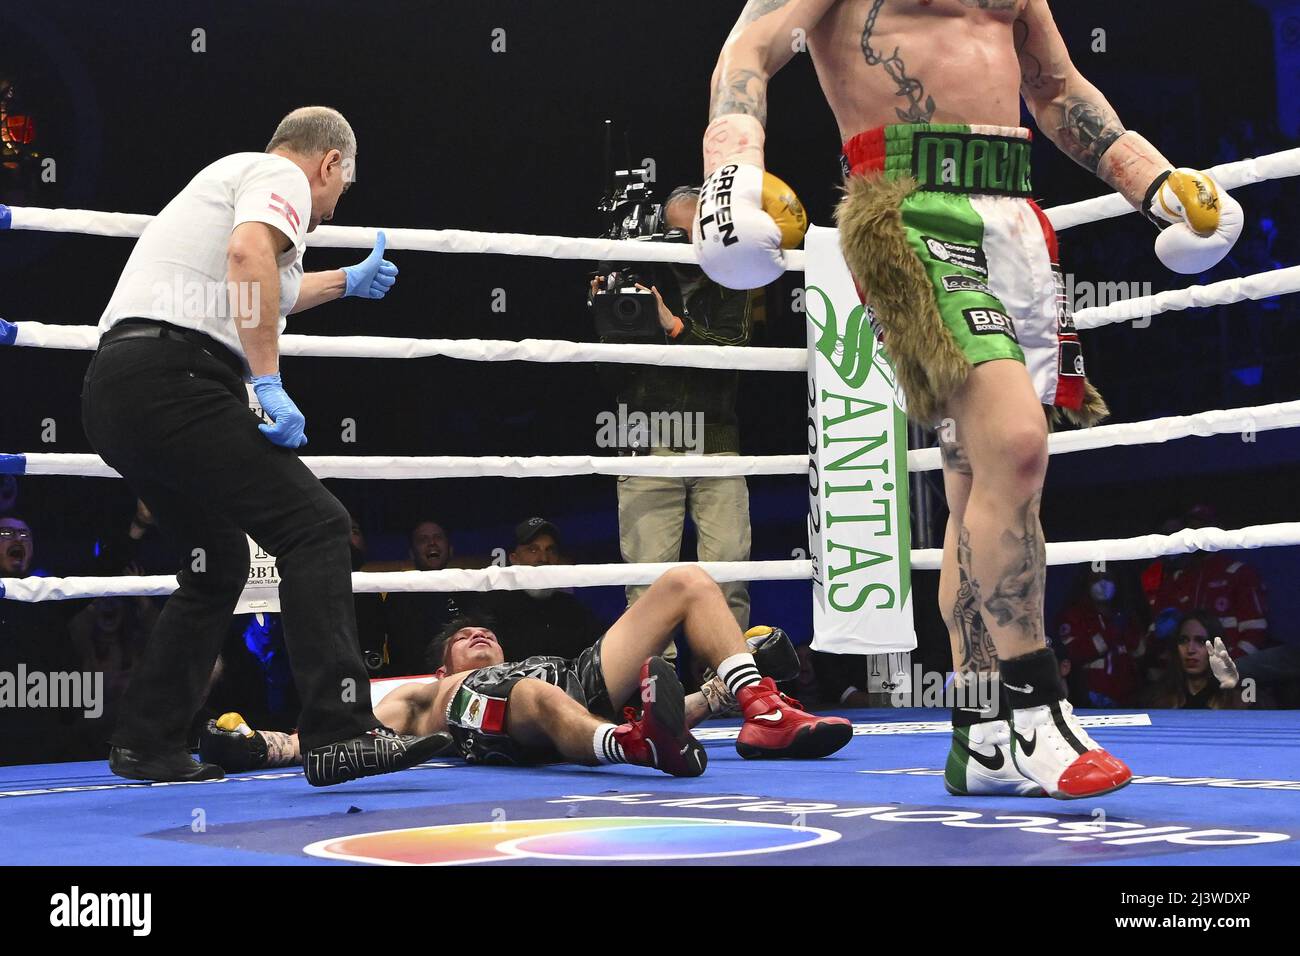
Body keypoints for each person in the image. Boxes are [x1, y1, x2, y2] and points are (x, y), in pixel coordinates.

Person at [695, 0, 1243, 800]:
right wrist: (731, 170)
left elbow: (1057, 91)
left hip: (1016, 218)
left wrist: (1153, 179)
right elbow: (750, 45)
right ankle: (1032, 705)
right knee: (1019, 444)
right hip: (908, 209)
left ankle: (982, 729)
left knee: (983, 480)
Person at [81, 106, 446, 785]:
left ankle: (146, 742)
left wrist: (345, 282)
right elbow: (249, 255)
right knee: (317, 525)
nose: (332, 209)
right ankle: (338, 732)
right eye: (342, 188)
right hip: (174, 381)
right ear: (329, 163)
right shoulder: (280, 175)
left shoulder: (234, 187)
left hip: (120, 389)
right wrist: (268, 382)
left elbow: (265, 287)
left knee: (218, 562)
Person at [200, 566, 851, 774]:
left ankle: (763, 710)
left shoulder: (540, 662)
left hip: (570, 681)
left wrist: (711, 695)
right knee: (535, 695)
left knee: (688, 581)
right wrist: (266, 746)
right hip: (497, 715)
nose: (476, 633)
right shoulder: (426, 696)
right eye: (461, 637)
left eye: (485, 630)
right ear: (441, 661)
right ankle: (630, 745)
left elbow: (661, 709)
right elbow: (345, 736)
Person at [595, 186, 759, 636]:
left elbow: (734, 354)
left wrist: (673, 326)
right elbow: (608, 380)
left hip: (717, 445)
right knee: (647, 584)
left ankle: (726, 683)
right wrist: (607, 321)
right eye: (675, 232)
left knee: (729, 577)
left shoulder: (735, 277)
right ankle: (651, 686)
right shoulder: (632, 280)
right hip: (647, 444)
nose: (685, 242)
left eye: (694, 232)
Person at [479, 517, 607, 661]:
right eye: (533, 549)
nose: (544, 558)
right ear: (514, 558)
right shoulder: (492, 608)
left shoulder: (574, 610)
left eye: (550, 550)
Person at [1053, 566, 1142, 707]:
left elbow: (1138, 653)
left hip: (1127, 701)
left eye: (1107, 578)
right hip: (1087, 701)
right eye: (1096, 579)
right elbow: (1073, 654)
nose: (1102, 584)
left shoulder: (1126, 615)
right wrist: (1111, 633)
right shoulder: (1073, 616)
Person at [1142, 611, 1249, 710]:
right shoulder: (1157, 701)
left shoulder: (1236, 703)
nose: (1190, 650)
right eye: (1183, 641)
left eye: (1201, 641)